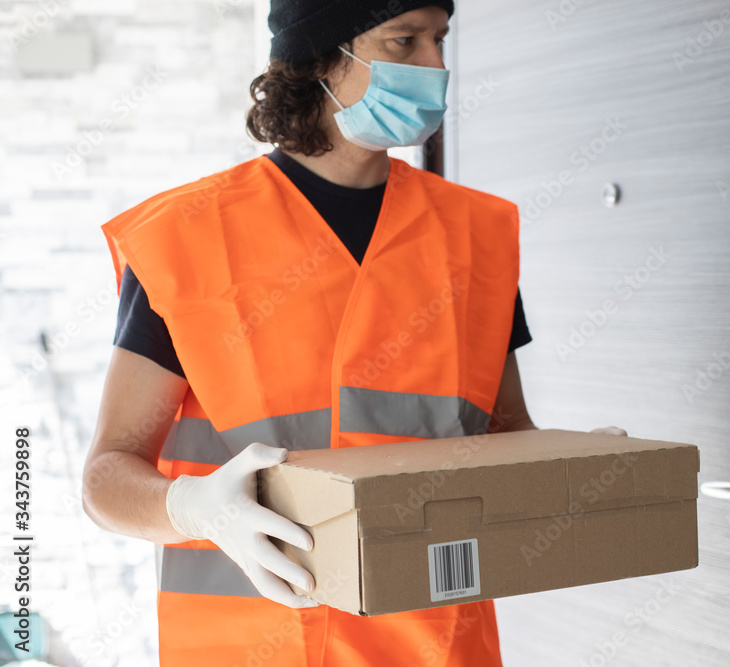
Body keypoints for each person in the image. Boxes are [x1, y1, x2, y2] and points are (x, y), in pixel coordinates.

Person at [82, 1, 624, 665]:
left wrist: (574, 471)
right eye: (404, 41)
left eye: (440, 39)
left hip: (440, 644)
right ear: (318, 59)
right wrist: (193, 507)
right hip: (246, 648)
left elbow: (505, 437)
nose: (437, 67)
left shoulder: (475, 239)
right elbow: (106, 478)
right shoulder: (188, 239)